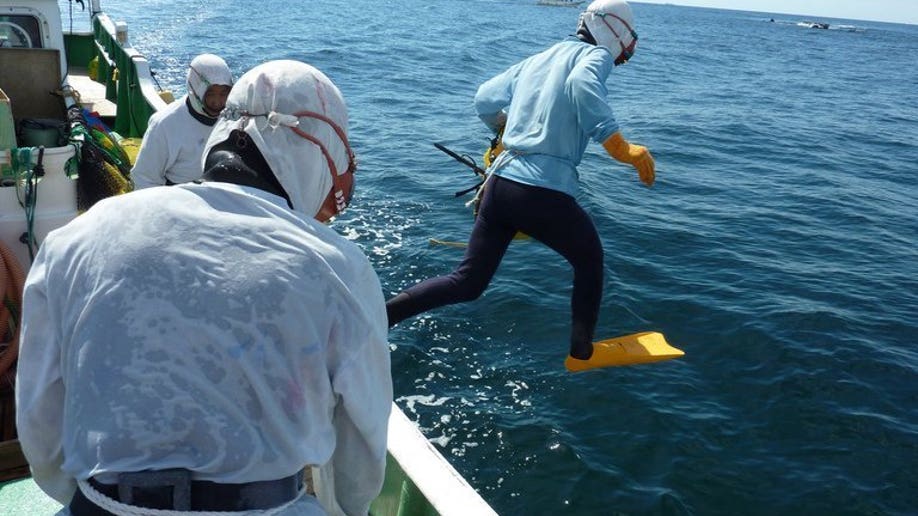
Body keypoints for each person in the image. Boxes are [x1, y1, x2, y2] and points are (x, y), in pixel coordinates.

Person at [16, 60, 391, 515]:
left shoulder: (77, 238)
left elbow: (38, 410)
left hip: (103, 504)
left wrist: (82, 496)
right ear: (317, 149)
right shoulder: (339, 267)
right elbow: (362, 439)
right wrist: (349, 507)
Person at [386, 0, 655, 372]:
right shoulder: (595, 57)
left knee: (467, 281)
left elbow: (484, 98)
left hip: (501, 187)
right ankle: (581, 352)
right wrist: (619, 145)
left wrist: (504, 128)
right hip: (542, 192)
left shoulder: (538, 59)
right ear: (617, 33)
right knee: (589, 261)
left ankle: (383, 317)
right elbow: (581, 84)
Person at [130, 53, 233, 189]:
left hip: (222, 195)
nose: (218, 102)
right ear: (194, 89)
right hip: (180, 199)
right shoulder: (165, 124)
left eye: (223, 94)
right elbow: (144, 178)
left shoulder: (233, 118)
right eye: (210, 94)